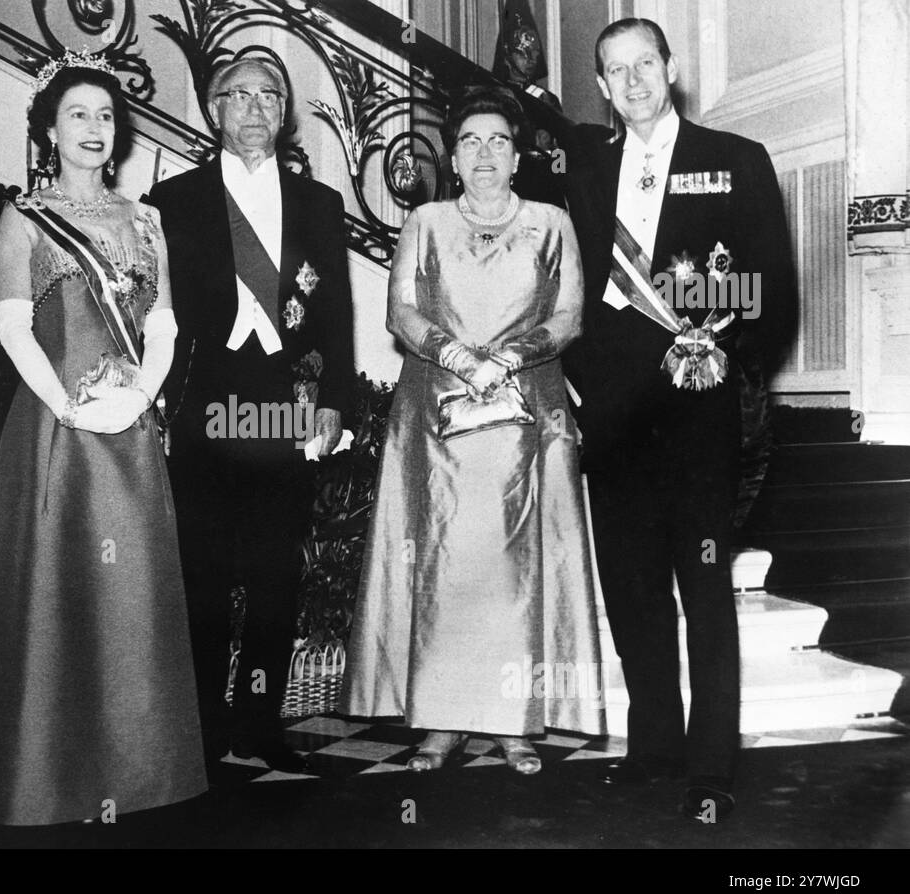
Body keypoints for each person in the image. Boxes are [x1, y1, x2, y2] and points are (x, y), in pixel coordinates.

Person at [0, 53, 207, 826]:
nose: (94, 130)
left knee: (130, 597)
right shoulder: (23, 218)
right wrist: (69, 404)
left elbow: (162, 326)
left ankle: (140, 774)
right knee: (56, 596)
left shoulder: (146, 222)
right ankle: (45, 775)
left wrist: (141, 392)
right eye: (78, 116)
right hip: (55, 432)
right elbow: (12, 329)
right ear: (48, 130)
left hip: (130, 428)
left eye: (105, 116)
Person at [562, 18, 796, 820]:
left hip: (699, 408)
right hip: (615, 415)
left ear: (671, 68)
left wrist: (730, 356)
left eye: (645, 65)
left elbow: (772, 290)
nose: (632, 82)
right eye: (614, 71)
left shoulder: (734, 161)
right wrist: (582, 381)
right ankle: (653, 744)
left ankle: (711, 764)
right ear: (599, 84)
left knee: (703, 589)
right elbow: (568, 290)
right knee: (631, 590)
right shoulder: (583, 169)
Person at [340, 88, 604, 773]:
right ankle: (443, 720)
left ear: (517, 157)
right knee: (442, 566)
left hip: (528, 414)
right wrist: (460, 357)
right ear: (452, 159)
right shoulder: (424, 222)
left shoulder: (551, 222)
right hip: (437, 416)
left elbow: (572, 312)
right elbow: (402, 311)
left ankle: (516, 722)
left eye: (498, 142)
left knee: (517, 568)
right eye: (470, 143)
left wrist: (508, 358)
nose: (484, 155)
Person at [145, 58, 355, 777]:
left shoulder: (321, 205)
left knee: (273, 572)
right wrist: (157, 404)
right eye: (240, 96)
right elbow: (156, 314)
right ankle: (202, 727)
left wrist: (334, 401)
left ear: (286, 111)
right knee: (201, 571)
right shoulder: (169, 201)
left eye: (271, 96)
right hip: (206, 401)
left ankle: (260, 722)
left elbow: (337, 317)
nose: (256, 109)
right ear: (213, 109)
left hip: (283, 403)